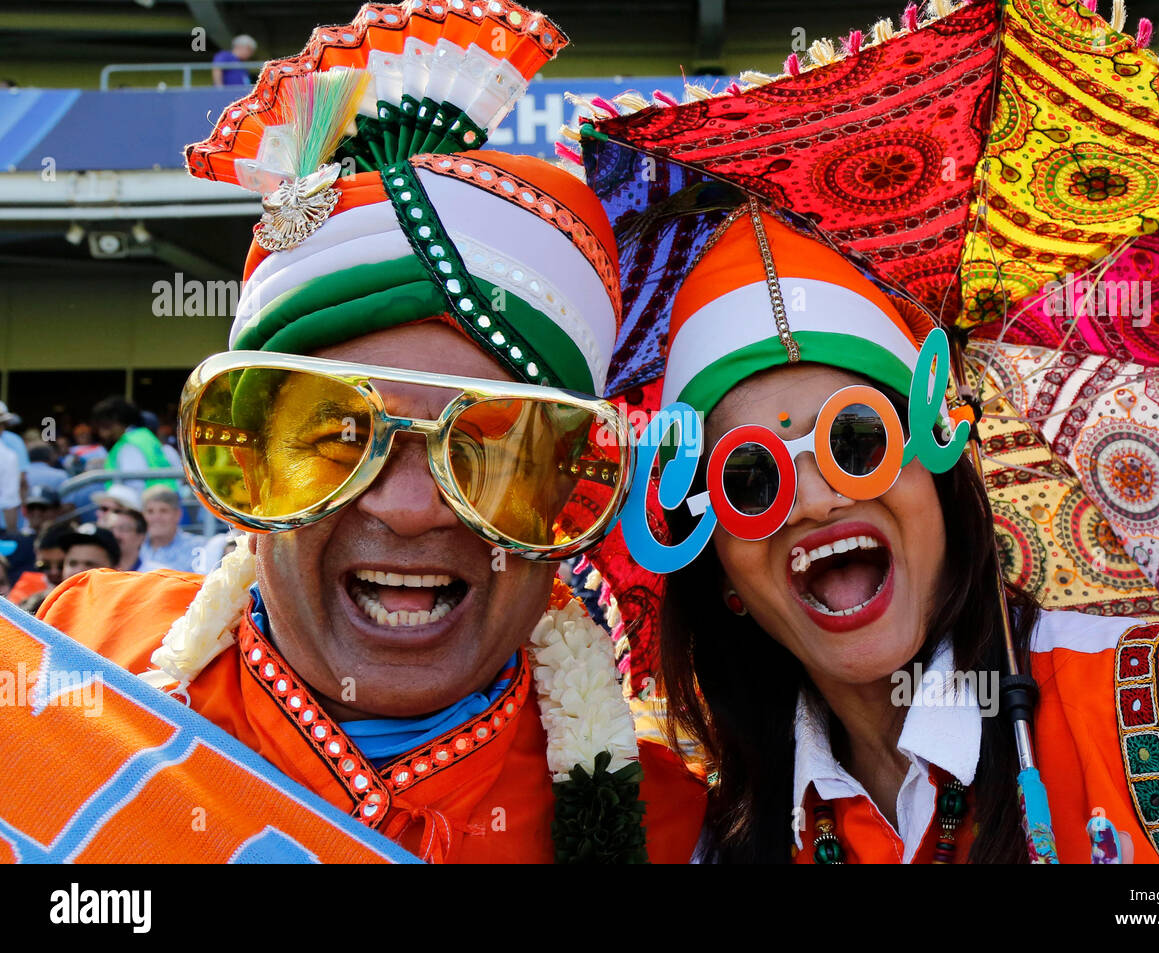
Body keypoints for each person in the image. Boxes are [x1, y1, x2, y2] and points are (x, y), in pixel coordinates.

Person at [34, 0, 704, 864]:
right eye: (336, 437)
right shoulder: (73, 661)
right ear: (251, 472)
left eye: (489, 449)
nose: (412, 506)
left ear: (563, 498)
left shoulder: (672, 828)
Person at [649, 204, 1159, 863]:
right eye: (750, 480)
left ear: (940, 478)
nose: (817, 501)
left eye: (857, 439)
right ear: (723, 574)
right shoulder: (725, 842)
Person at [90, 396, 178, 494]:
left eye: (105, 426)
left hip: (148, 500)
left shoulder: (128, 445)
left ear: (118, 422)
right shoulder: (145, 436)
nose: (102, 434)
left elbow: (134, 485)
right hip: (167, 497)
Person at [139, 485, 195, 572]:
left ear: (178, 514)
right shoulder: (133, 547)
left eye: (163, 511)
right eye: (150, 511)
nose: (156, 517)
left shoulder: (197, 549)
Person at [11, 524, 65, 609]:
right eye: (45, 565)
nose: (54, 572)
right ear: (36, 554)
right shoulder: (26, 585)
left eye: (61, 565)